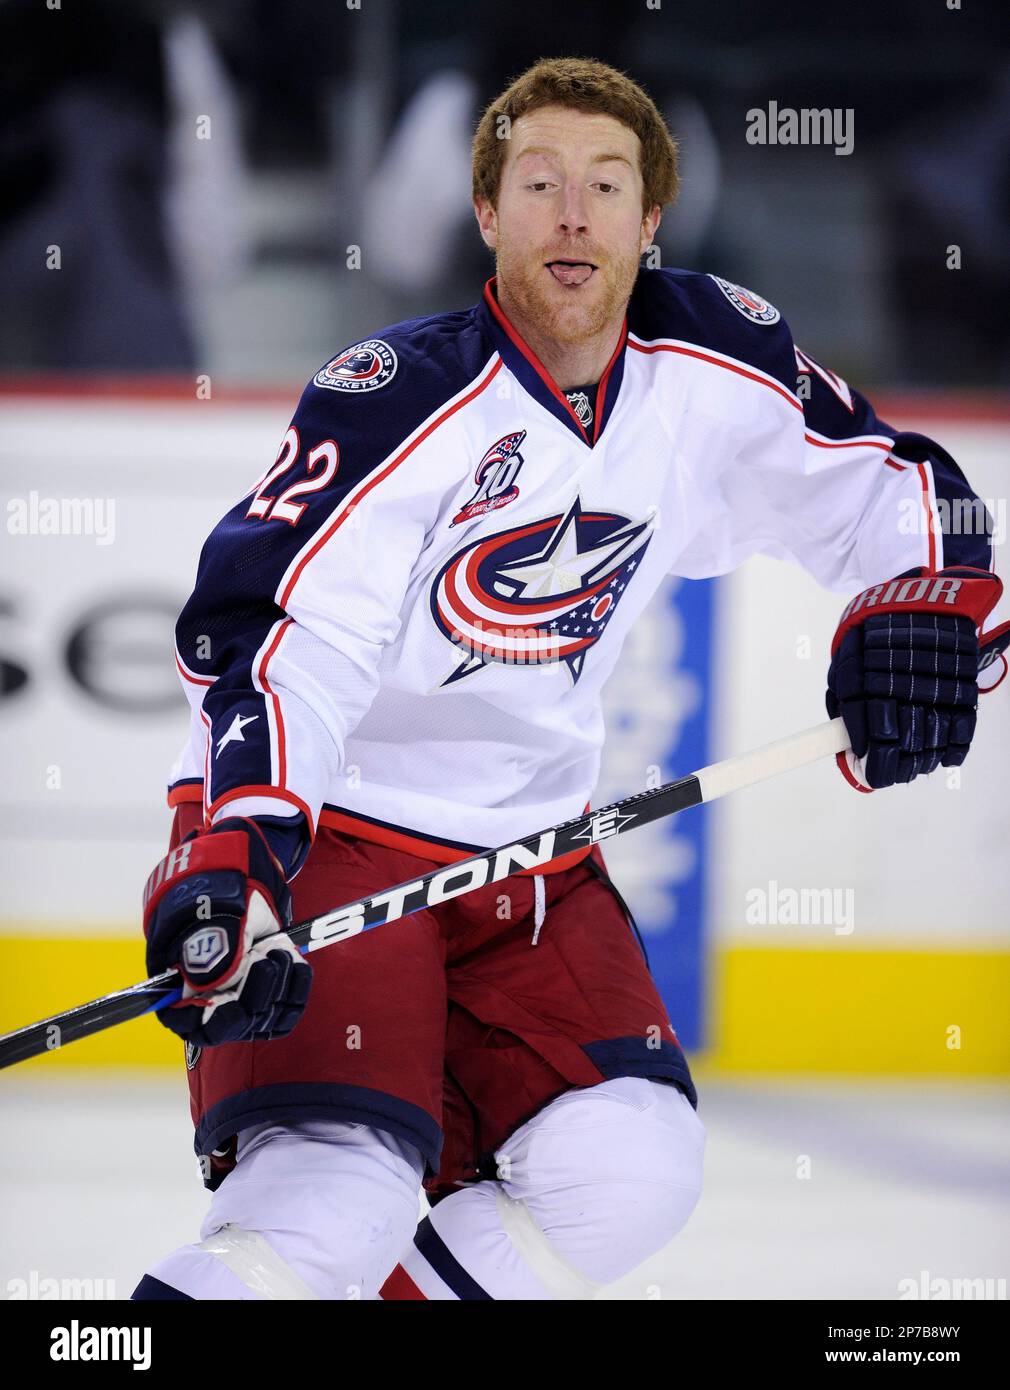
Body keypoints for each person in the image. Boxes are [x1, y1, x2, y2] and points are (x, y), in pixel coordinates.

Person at [132, 57, 998, 1301]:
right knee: (335, 1194)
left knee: (628, 1165)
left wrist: (918, 605)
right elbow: (285, 638)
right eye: (538, 183)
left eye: (607, 185)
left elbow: (892, 488)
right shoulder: (399, 399)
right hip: (334, 840)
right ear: (486, 215)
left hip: (531, 862)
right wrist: (238, 846)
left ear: (653, 219)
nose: (574, 214)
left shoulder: (712, 361)